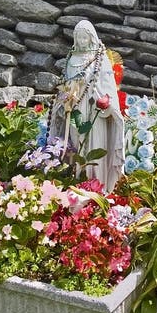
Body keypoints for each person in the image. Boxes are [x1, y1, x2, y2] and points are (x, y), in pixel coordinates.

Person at [48, 20, 124, 191]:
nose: (82, 41)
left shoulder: (99, 58)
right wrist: (65, 97)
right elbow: (65, 82)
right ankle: (74, 184)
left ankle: (96, 186)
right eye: (79, 37)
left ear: (91, 38)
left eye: (84, 37)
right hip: (74, 108)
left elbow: (107, 85)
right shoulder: (72, 58)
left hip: (93, 108)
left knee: (94, 144)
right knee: (75, 144)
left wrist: (106, 102)